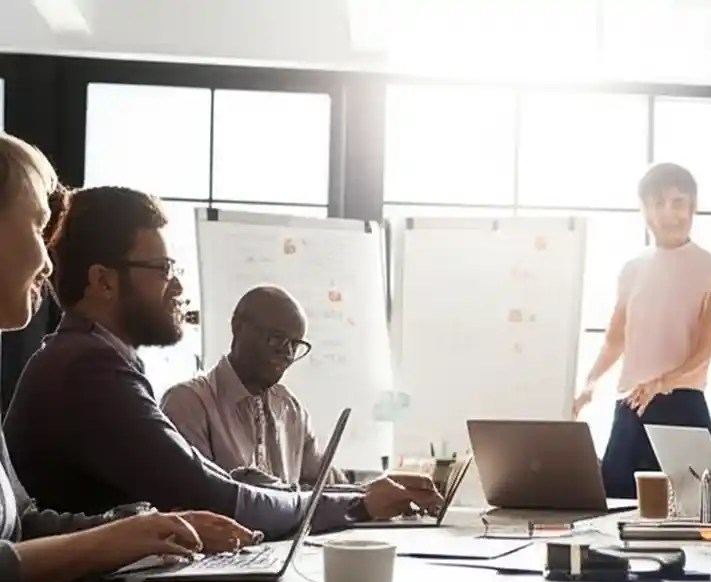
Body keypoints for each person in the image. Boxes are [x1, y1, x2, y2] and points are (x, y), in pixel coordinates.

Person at [3, 186, 441, 541]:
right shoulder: (87, 370)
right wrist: (357, 506)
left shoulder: (91, 359)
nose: (177, 287)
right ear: (103, 281)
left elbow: (210, 482)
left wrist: (357, 495)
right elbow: (209, 494)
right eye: (163, 268)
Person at [0, 133, 258, 582]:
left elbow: (21, 526)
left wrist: (137, 525)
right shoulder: (84, 366)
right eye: (34, 225)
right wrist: (115, 538)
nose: (49, 263)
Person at [573, 163, 711, 498]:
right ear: (643, 209)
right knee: (614, 508)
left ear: (693, 206)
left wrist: (662, 383)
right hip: (632, 405)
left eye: (678, 202)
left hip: (683, 405)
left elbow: (704, 352)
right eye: (658, 203)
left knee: (700, 508)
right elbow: (615, 341)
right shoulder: (632, 269)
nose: (668, 213)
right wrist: (588, 385)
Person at [161, 285, 346, 488]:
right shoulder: (188, 403)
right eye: (276, 339)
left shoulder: (291, 409)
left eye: (294, 345)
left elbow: (326, 485)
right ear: (238, 327)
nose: (287, 354)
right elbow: (200, 498)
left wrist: (368, 493)